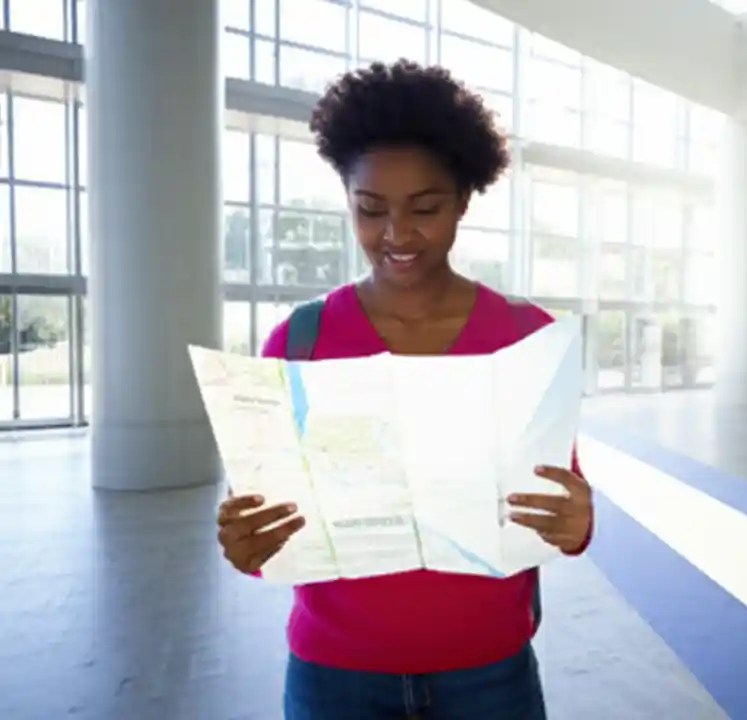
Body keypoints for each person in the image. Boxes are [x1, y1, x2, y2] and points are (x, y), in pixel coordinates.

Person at [213, 61, 594, 720]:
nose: (397, 235)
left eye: (425, 208)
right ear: (347, 199)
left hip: (489, 670)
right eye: (369, 210)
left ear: (465, 199)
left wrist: (577, 523)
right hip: (336, 675)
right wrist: (247, 543)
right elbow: (263, 523)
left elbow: (559, 503)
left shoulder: (528, 337)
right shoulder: (297, 342)